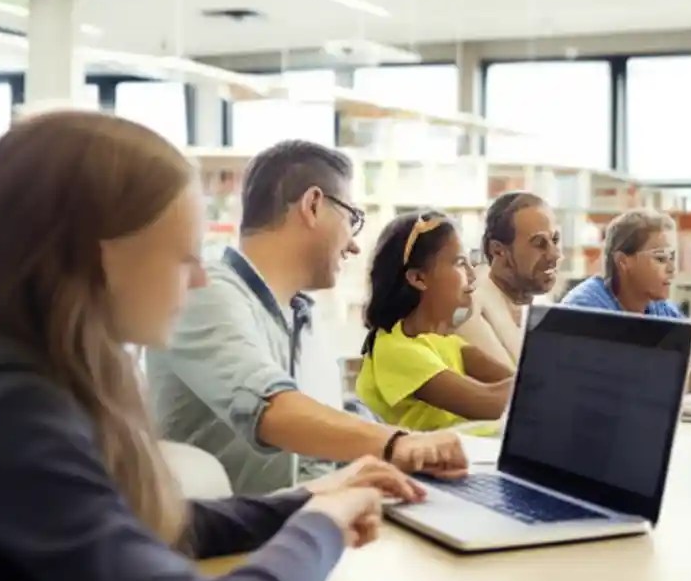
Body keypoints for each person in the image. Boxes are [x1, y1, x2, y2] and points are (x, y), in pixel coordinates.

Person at [0, 111, 426, 581]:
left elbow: (145, 524)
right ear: (101, 259)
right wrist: (324, 523)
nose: (199, 279)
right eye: (184, 256)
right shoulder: (6, 412)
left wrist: (307, 499)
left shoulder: (22, 381)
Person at [147, 141, 465, 495]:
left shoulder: (301, 317)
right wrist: (395, 443)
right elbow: (270, 408)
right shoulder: (206, 293)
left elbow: (327, 415)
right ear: (313, 205)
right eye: (352, 219)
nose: (355, 245)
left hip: (305, 520)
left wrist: (423, 451)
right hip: (232, 542)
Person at [356, 211, 515, 430]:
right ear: (418, 278)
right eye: (460, 263)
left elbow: (513, 380)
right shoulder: (396, 350)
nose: (472, 275)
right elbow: (490, 403)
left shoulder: (443, 340)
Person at [561, 208, 691, 391]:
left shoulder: (661, 309)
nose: (672, 270)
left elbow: (688, 355)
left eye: (672, 258)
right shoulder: (584, 311)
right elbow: (603, 386)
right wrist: (689, 381)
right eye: (660, 258)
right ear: (623, 261)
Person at [454, 191, 561, 369]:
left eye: (555, 240)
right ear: (498, 250)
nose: (555, 255)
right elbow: (516, 389)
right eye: (539, 243)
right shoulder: (469, 306)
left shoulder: (541, 303)